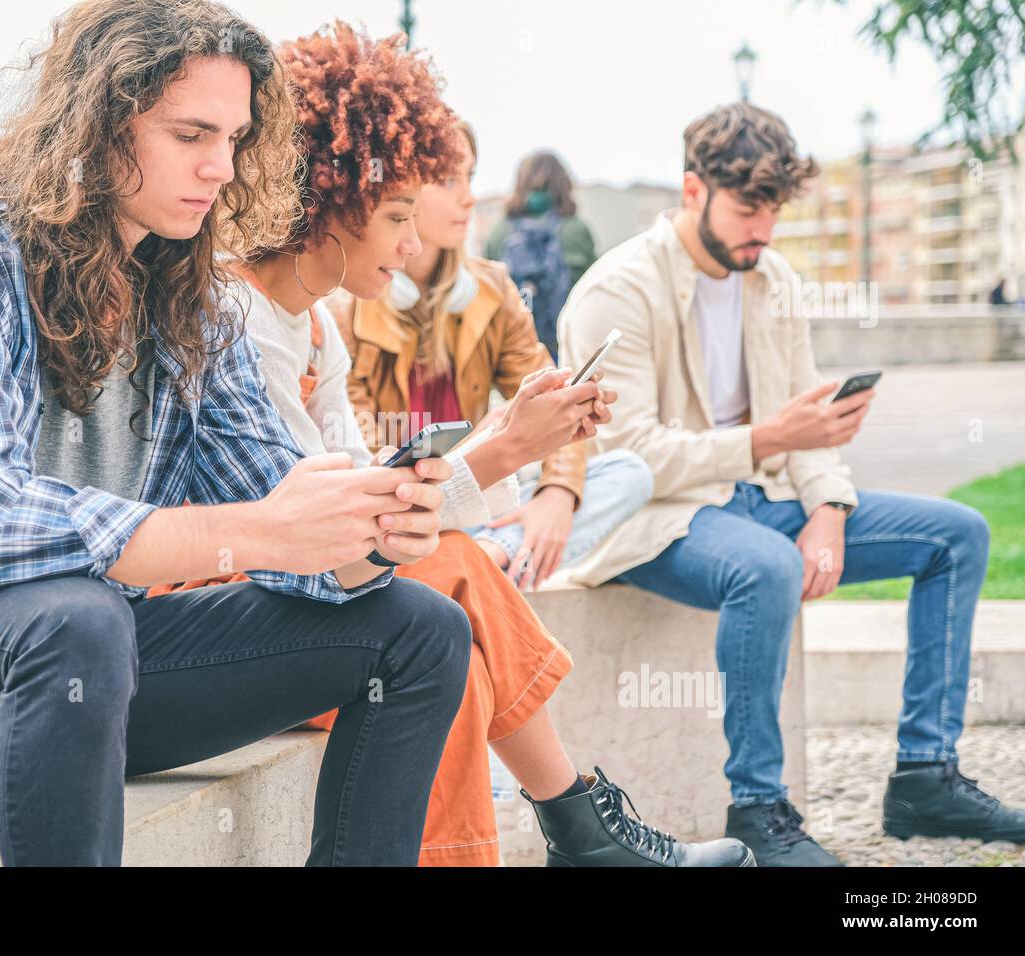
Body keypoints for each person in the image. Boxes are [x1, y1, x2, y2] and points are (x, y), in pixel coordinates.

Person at [0, 0, 474, 867]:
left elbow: (284, 515)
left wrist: (369, 532)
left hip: (84, 681)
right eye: (190, 134)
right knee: (79, 616)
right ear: (96, 125)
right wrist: (261, 530)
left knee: (419, 629)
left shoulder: (190, 302)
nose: (220, 167)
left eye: (235, 139)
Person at [192, 21, 751, 868]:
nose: (414, 244)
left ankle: (577, 831)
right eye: (396, 216)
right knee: (447, 586)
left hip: (316, 595)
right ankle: (581, 827)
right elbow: (318, 542)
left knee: (449, 626)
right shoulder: (239, 322)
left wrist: (513, 444)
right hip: (232, 613)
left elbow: (359, 517)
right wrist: (501, 452)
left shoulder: (313, 330)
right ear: (324, 200)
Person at [557, 101, 1025, 866]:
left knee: (958, 536)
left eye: (774, 209)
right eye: (749, 209)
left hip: (757, 499)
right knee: (768, 566)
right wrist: (773, 439)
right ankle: (757, 808)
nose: (765, 230)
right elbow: (632, 457)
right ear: (692, 191)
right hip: (652, 517)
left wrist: (830, 507)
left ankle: (926, 778)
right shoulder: (617, 290)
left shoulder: (771, 278)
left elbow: (807, 417)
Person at [335, 122, 654, 595]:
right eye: (448, 180)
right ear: (403, 187)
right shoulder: (347, 304)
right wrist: (488, 445)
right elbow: (363, 461)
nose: (468, 198)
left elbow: (549, 390)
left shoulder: (492, 289)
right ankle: (492, 556)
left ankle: (491, 554)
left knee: (629, 474)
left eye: (471, 177)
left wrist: (557, 494)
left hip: (481, 502)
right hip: (407, 511)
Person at [485, 150, 597, 356]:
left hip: (513, 350)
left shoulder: (499, 231)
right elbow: (594, 289)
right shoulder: (575, 229)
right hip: (564, 347)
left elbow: (486, 292)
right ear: (563, 183)